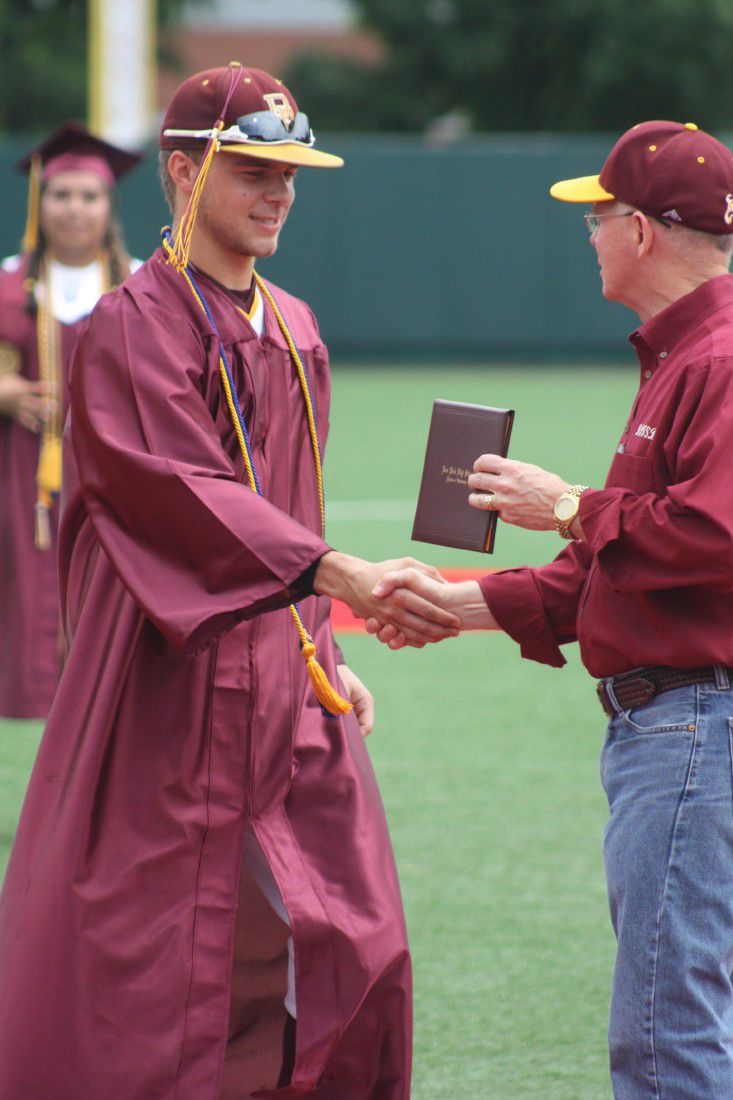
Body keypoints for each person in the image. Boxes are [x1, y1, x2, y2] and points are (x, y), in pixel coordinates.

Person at [0, 64, 458, 1099]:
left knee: (347, 935)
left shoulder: (293, 328)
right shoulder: (128, 327)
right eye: (252, 169)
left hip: (285, 678)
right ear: (180, 171)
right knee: (145, 958)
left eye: (290, 173)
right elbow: (178, 493)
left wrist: (327, 644)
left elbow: (294, 505)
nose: (278, 193)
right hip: (167, 680)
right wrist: (334, 574)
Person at [370, 120, 733, 1098]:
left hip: (696, 722)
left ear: (645, 232)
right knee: (680, 1012)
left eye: (597, 214)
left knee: (668, 1028)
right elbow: (614, 572)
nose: (586, 234)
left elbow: (716, 537)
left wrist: (568, 504)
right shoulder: (682, 355)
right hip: (681, 720)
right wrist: (451, 602)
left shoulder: (717, 355)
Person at [0, 122, 142, 719]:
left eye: (89, 196)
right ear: (41, 202)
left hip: (112, 475)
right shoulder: (10, 281)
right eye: (61, 195)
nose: (74, 209)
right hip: (20, 473)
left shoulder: (140, 284)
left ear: (108, 205)